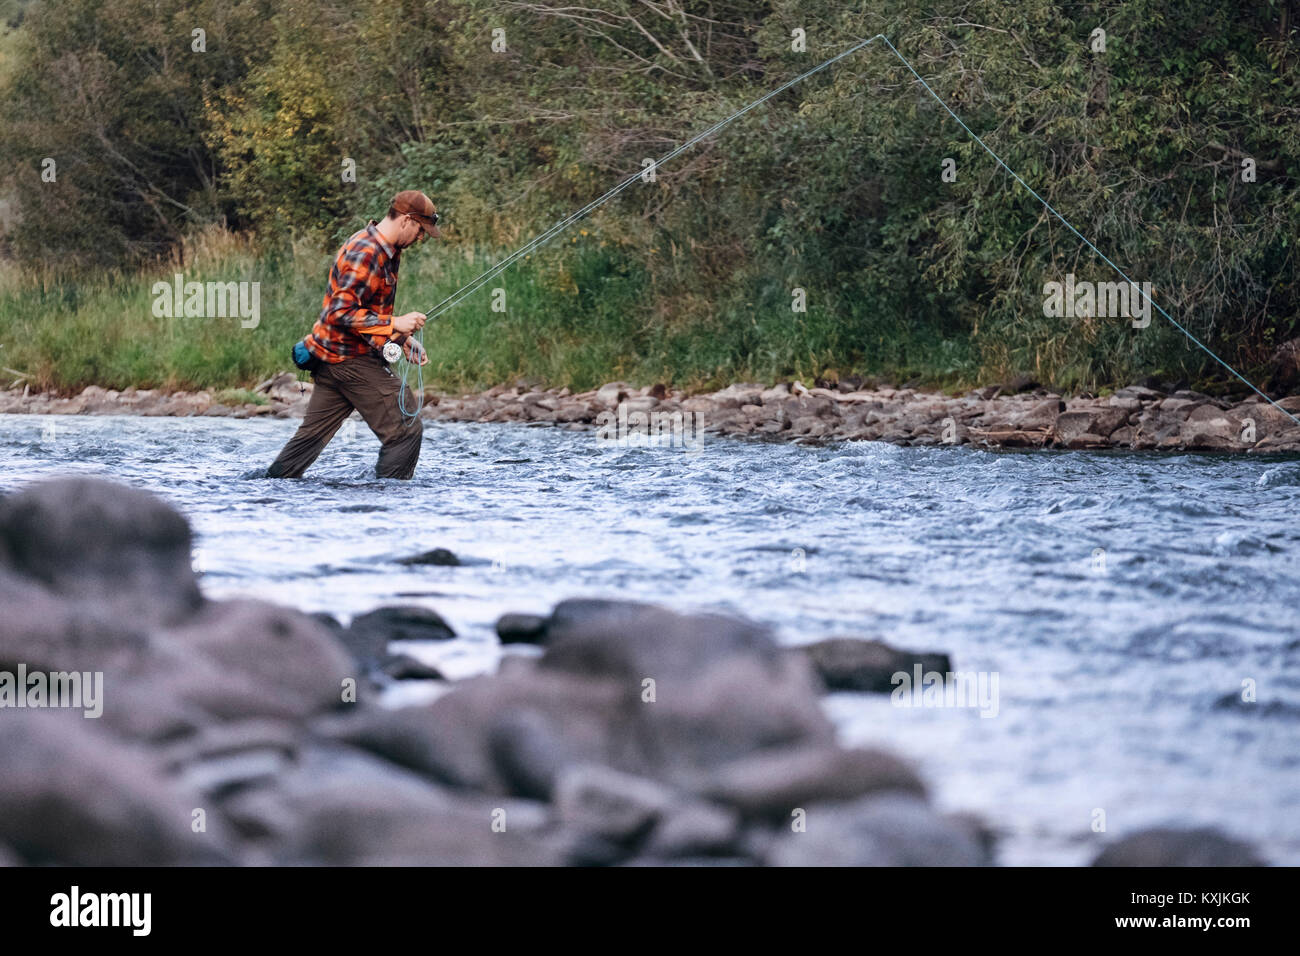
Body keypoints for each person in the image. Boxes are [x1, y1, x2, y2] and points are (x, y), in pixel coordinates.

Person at [266, 190, 440, 480]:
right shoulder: (367, 251)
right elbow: (340, 312)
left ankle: (267, 490)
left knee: (306, 443)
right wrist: (395, 323)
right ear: (407, 221)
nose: (421, 238)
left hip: (333, 360)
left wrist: (398, 338)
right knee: (406, 429)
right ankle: (388, 504)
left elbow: (365, 313)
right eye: (421, 230)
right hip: (349, 360)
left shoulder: (385, 249)